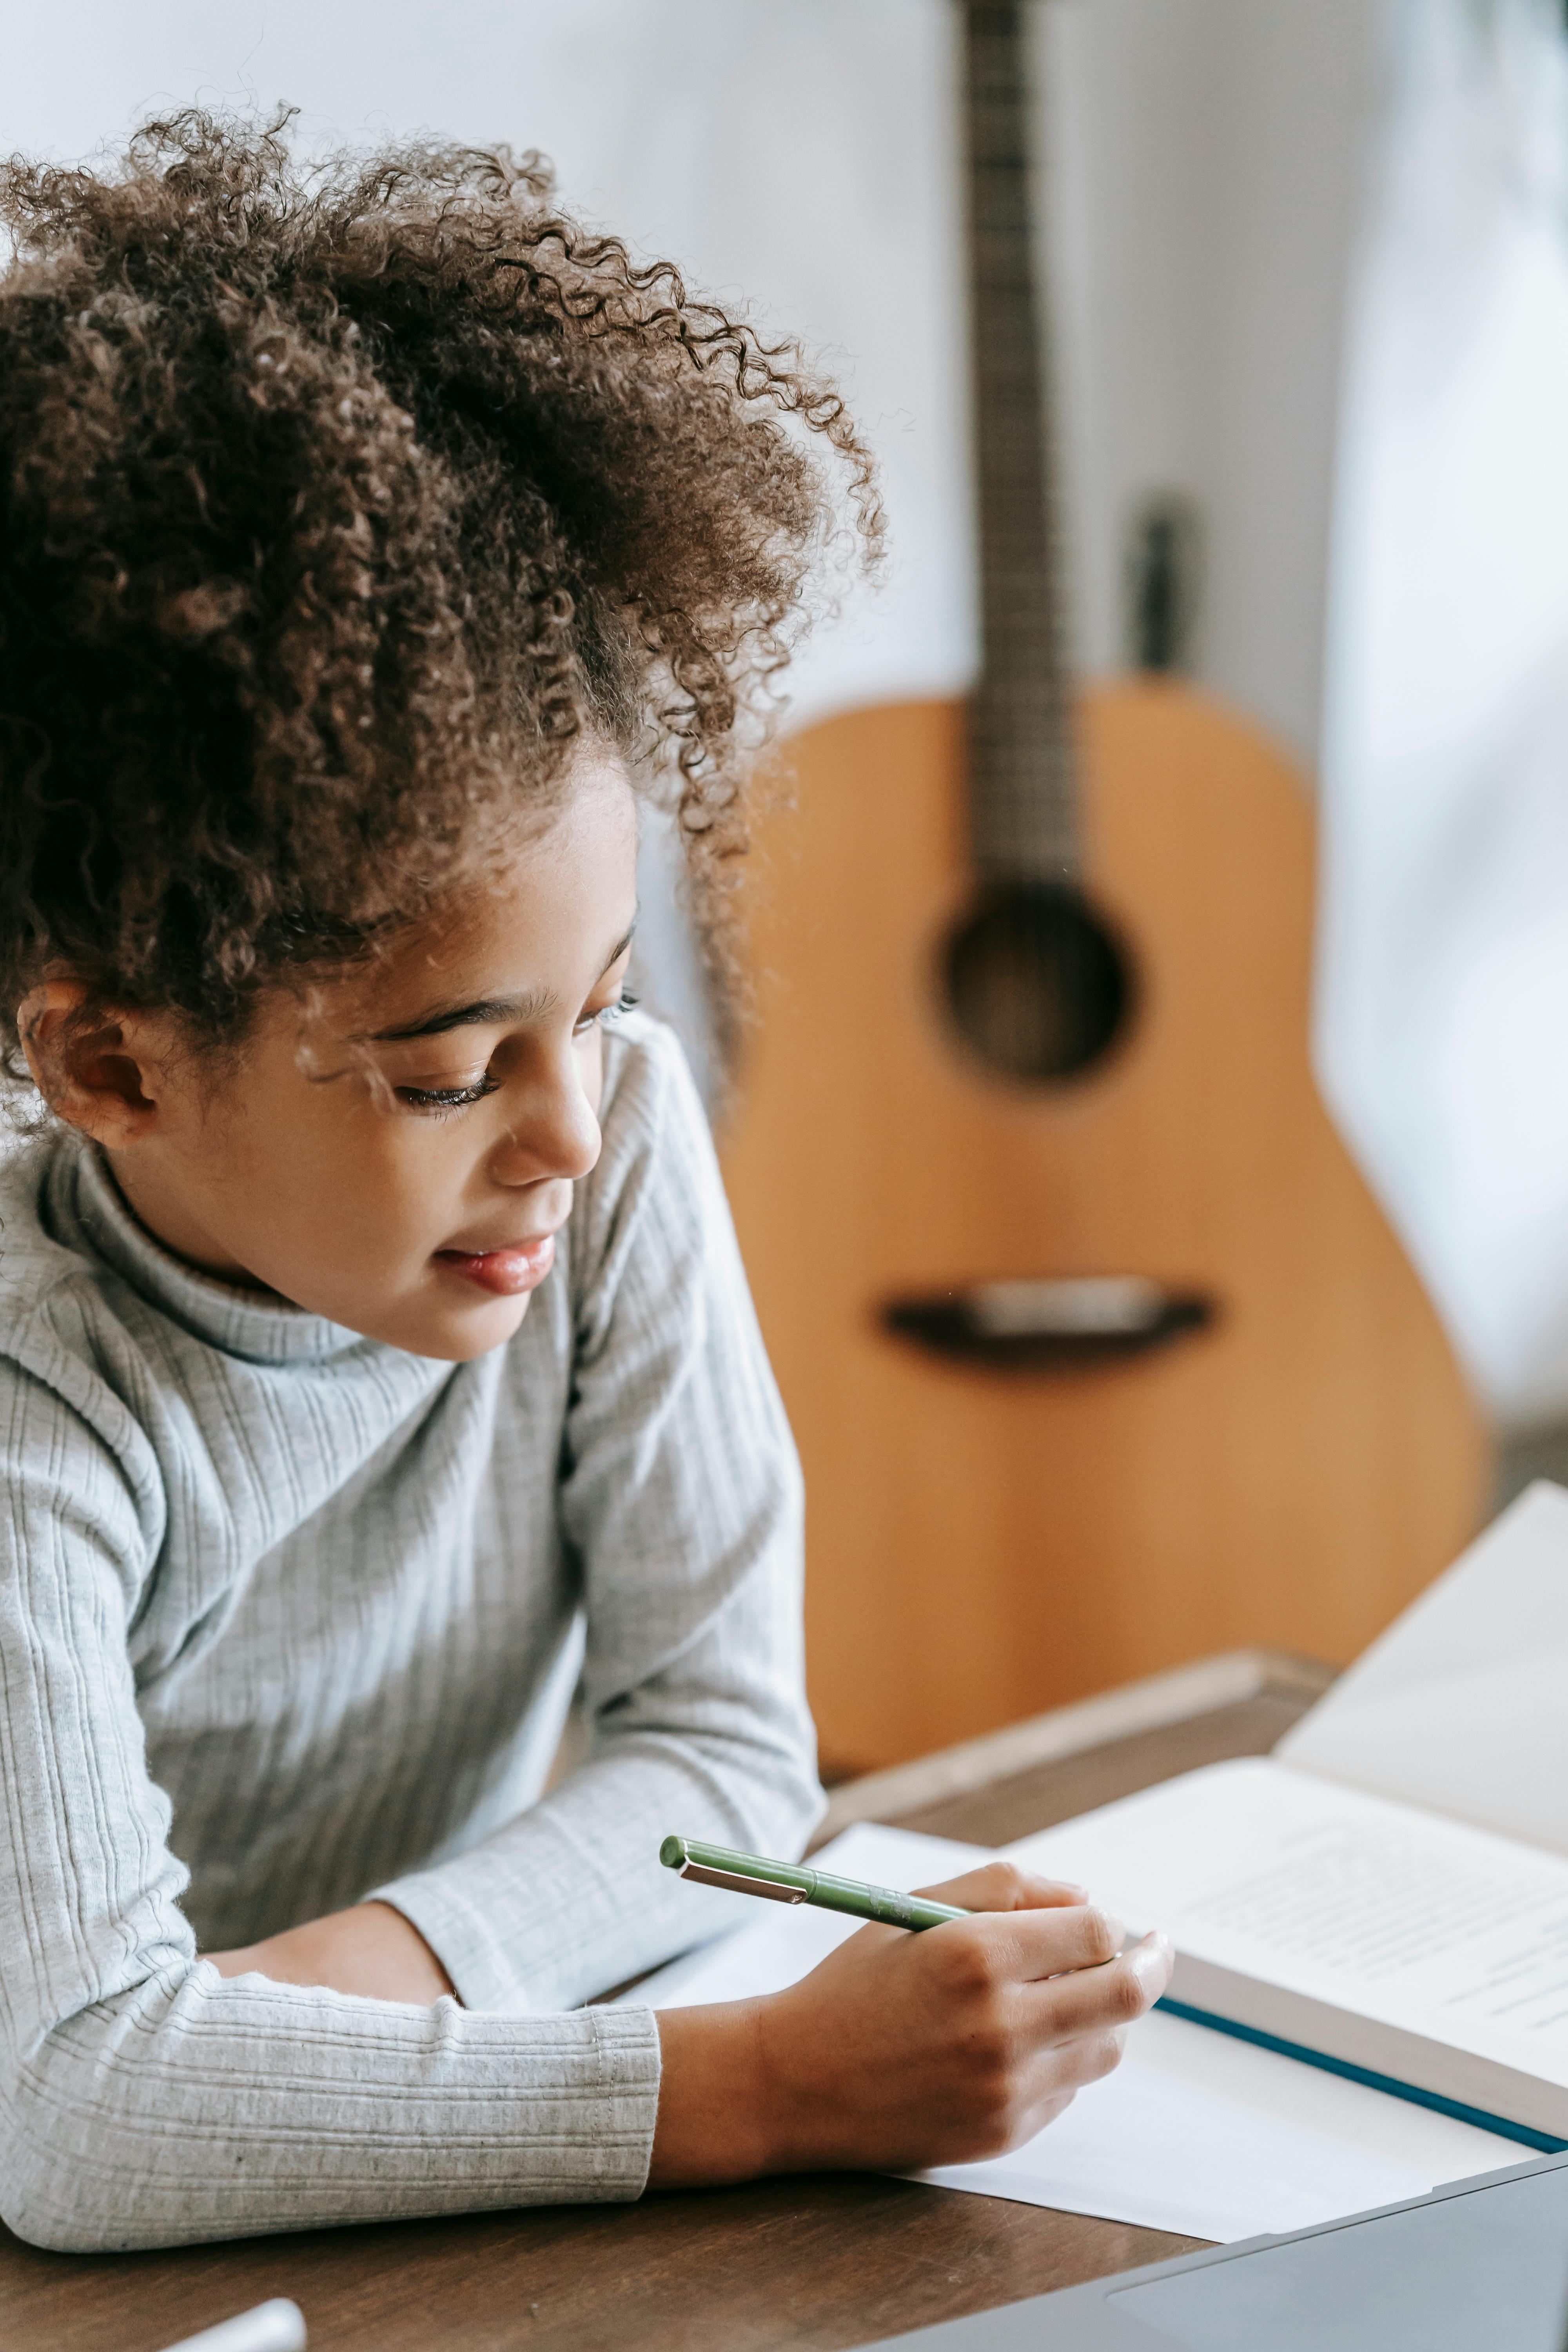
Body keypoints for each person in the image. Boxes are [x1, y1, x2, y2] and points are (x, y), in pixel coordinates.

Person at [0, 111, 1172, 2254]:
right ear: (110, 1063)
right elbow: (77, 2129)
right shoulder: (36, 1414)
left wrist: (319, 2011)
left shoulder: (601, 1159)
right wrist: (762, 2082)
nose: (568, 1127)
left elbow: (725, 1755)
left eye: (608, 1010)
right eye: (449, 1069)